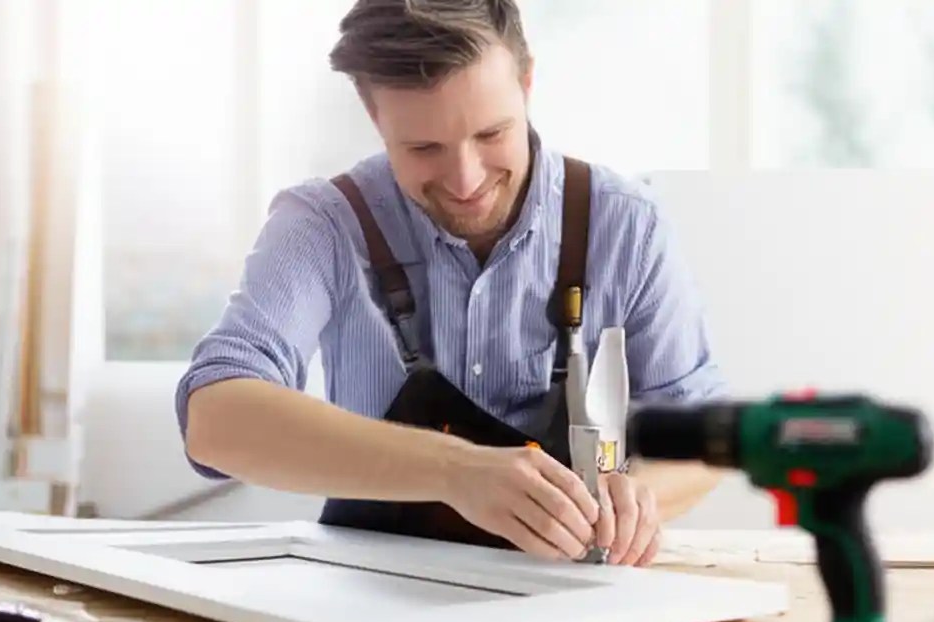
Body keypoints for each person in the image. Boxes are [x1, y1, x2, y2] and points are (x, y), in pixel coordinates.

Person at [176, 0, 728, 566]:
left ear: (526, 82)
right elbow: (215, 420)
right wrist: (452, 470)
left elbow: (704, 438)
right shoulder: (323, 223)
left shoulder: (626, 223)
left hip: (571, 599)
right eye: (424, 148)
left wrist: (639, 499)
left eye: (492, 133)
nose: (467, 180)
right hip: (368, 604)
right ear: (375, 118)